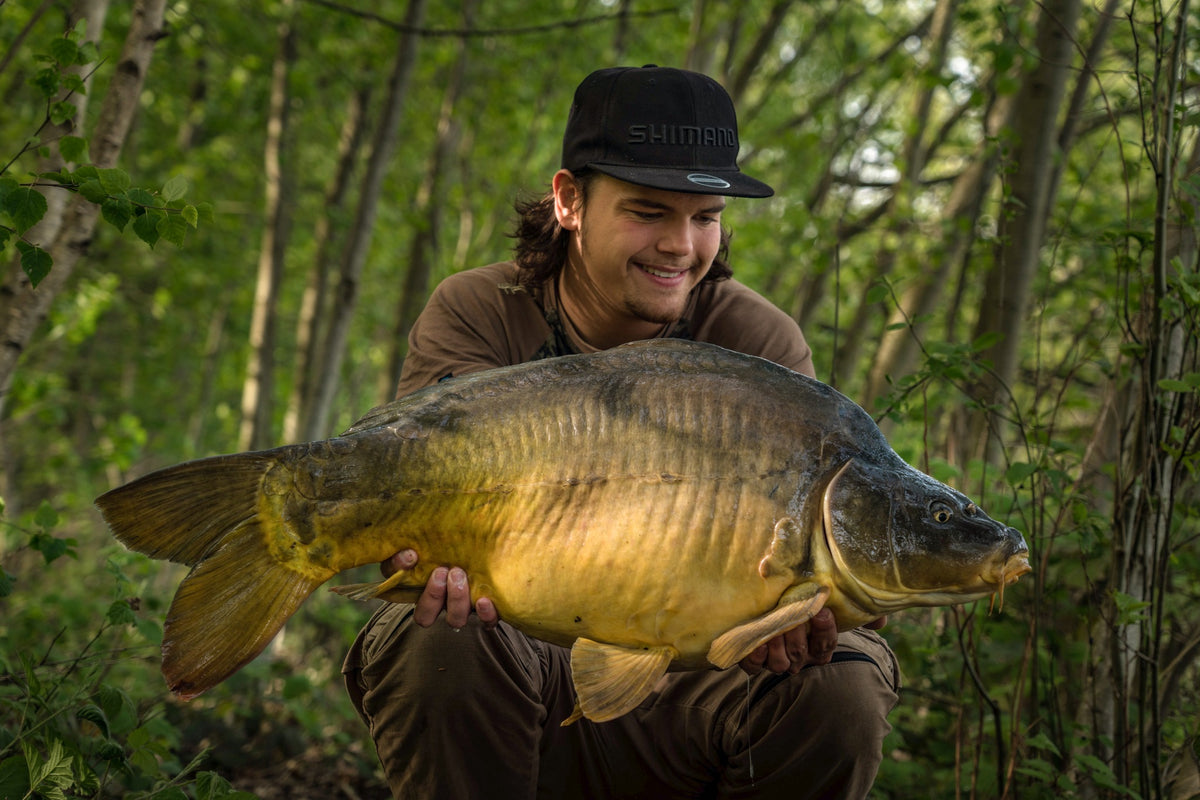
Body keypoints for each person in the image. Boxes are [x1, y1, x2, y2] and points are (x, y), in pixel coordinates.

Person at [342, 65, 899, 800]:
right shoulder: (478, 310)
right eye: (648, 212)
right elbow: (415, 489)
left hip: (691, 692)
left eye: (704, 217)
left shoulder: (757, 342)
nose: (680, 246)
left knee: (842, 689)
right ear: (569, 200)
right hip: (516, 665)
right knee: (440, 635)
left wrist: (795, 624)